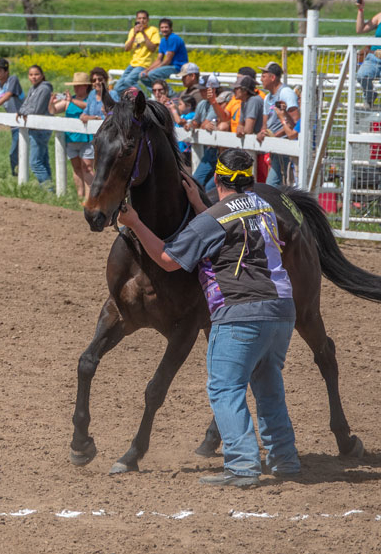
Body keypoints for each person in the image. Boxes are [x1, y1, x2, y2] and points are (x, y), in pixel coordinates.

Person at [118, 149, 301, 488]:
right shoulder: (265, 208)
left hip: (241, 311)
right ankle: (285, 460)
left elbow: (167, 259)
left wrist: (135, 223)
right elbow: (232, 226)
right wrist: (203, 207)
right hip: (281, 310)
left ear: (215, 179)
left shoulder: (211, 220)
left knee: (225, 388)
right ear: (251, 180)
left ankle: (243, 465)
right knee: (268, 384)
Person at [51, 72, 94, 201]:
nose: (76, 88)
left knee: (87, 167)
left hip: (87, 139)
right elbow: (53, 110)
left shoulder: (89, 99)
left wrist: (71, 100)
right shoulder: (69, 101)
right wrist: (51, 102)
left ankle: (89, 197)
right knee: (76, 168)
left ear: (86, 86)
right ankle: (80, 196)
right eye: (75, 86)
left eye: (79, 86)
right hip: (71, 139)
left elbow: (89, 107)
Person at [256, 61, 300, 187]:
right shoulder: (267, 98)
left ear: (273, 77)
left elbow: (295, 122)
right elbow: (265, 123)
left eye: (264, 76)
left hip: (285, 145)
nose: (261, 79)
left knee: (273, 182)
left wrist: (275, 135)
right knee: (277, 181)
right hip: (274, 144)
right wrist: (263, 132)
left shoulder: (286, 93)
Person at [191, 75, 229, 191]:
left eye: (204, 89)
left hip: (220, 150)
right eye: (201, 89)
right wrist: (194, 124)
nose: (201, 91)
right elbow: (196, 123)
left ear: (214, 89)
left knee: (209, 187)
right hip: (210, 151)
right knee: (196, 180)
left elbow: (205, 123)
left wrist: (200, 124)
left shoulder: (217, 104)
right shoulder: (202, 103)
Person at [16, 64, 53, 186]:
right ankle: (50, 188)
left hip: (40, 128)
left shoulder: (44, 89)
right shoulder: (33, 89)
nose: (34, 77)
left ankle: (48, 190)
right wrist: (22, 111)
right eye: (31, 75)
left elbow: (37, 109)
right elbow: (24, 105)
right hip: (35, 128)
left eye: (36, 74)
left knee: (35, 163)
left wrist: (23, 112)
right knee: (43, 160)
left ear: (42, 75)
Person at [117, 10, 160, 95]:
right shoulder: (133, 31)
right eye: (139, 18)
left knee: (128, 81)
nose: (142, 21)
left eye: (144, 18)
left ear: (148, 20)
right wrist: (134, 35)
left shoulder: (153, 30)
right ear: (136, 19)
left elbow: (152, 48)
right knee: (118, 87)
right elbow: (126, 48)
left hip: (144, 64)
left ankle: (145, 98)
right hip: (133, 64)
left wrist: (143, 33)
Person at [141, 18, 189, 83]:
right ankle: (156, 91)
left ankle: (168, 93)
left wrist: (151, 70)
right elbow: (159, 59)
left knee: (152, 74)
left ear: (171, 28)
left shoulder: (173, 38)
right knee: (142, 76)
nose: (164, 29)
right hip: (169, 67)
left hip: (178, 67)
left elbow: (167, 60)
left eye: (166, 27)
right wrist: (147, 70)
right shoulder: (163, 40)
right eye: (162, 27)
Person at [354, 0, 381, 106]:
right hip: (374, 57)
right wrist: (361, 9)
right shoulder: (380, 16)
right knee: (361, 75)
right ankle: (370, 96)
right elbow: (360, 29)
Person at [233, 75, 263, 140]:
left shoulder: (253, 100)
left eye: (236, 88)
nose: (233, 91)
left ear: (245, 91)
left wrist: (241, 129)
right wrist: (240, 128)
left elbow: (248, 130)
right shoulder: (244, 102)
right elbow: (240, 125)